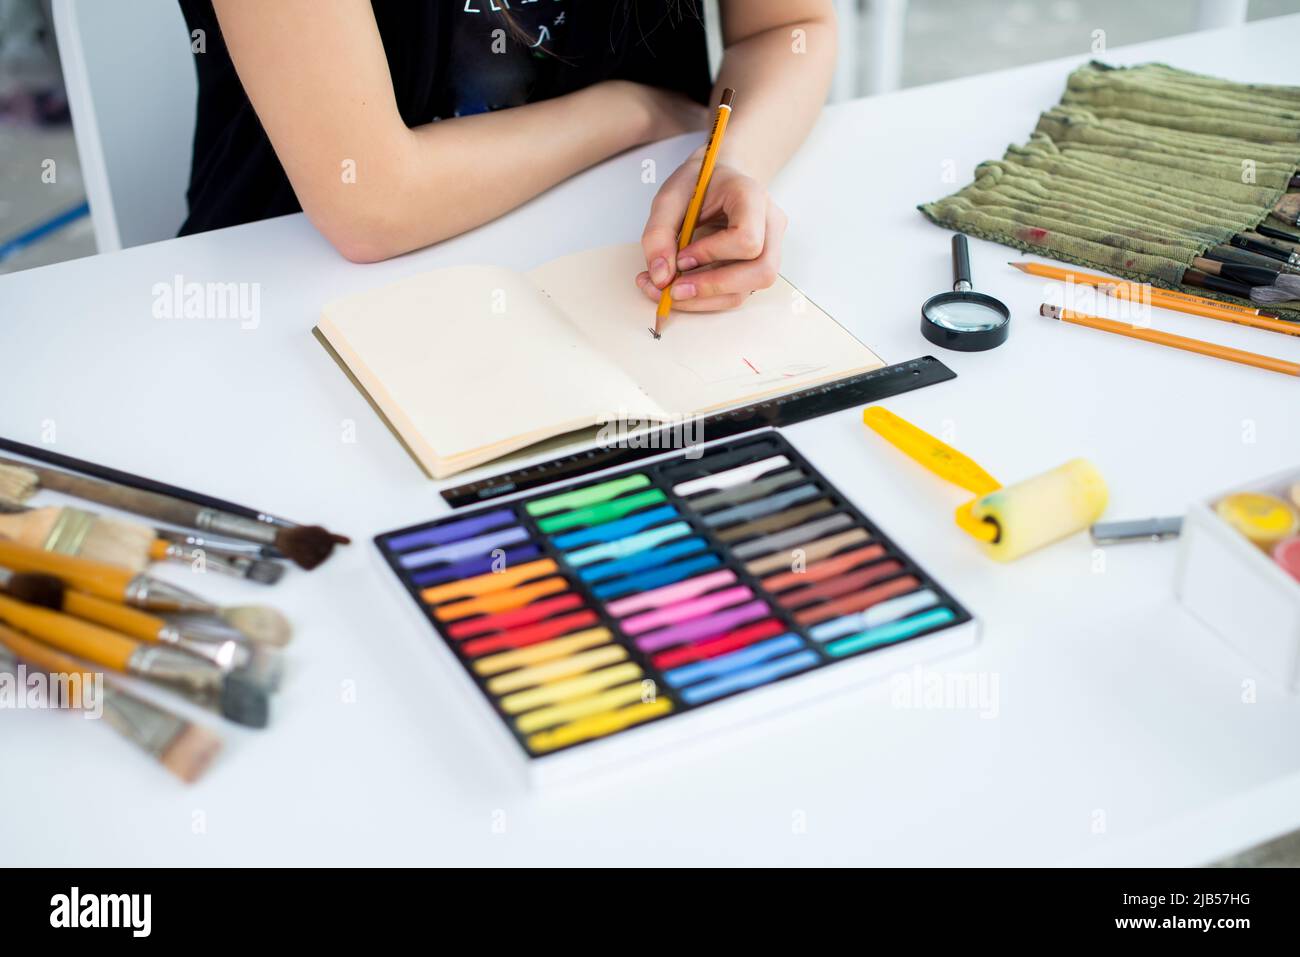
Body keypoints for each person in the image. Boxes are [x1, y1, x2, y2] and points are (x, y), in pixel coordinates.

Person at [180, 0, 835, 312]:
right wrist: (635, 113)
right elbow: (371, 203)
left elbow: (791, 28)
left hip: (601, 282)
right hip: (292, 295)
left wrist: (735, 159)